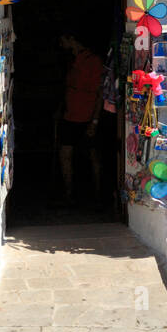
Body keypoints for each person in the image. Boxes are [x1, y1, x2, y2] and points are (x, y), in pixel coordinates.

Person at [59, 33, 104, 204]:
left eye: (63, 38)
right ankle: (68, 194)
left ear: (72, 39)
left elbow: (100, 92)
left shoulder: (93, 61)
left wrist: (95, 120)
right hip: (70, 114)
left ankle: (98, 195)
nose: (61, 43)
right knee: (65, 154)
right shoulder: (71, 60)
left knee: (93, 155)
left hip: (88, 115)